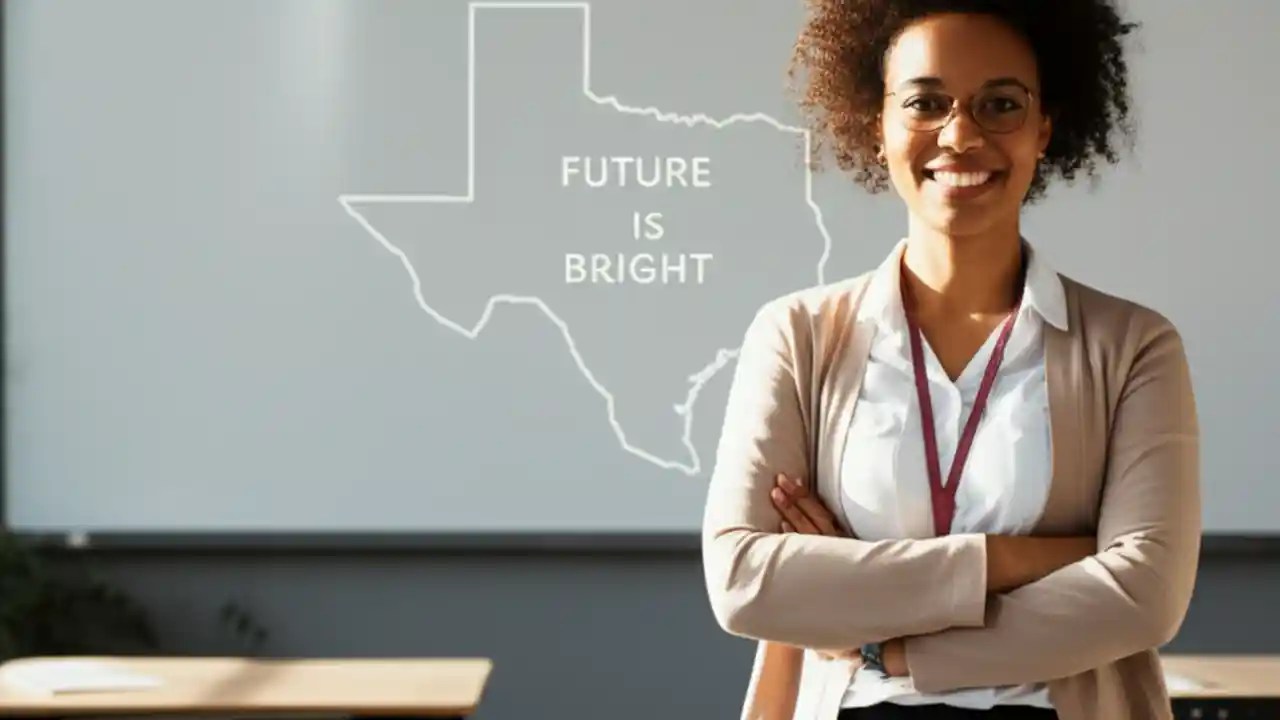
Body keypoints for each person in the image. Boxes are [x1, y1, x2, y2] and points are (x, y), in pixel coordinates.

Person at [699, 2, 1201, 719]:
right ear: (878, 125)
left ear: (1044, 128)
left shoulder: (1132, 347)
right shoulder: (797, 336)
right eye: (925, 103)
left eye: (1000, 104)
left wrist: (888, 646)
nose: (960, 135)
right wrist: (1020, 559)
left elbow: (1142, 597)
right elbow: (746, 581)